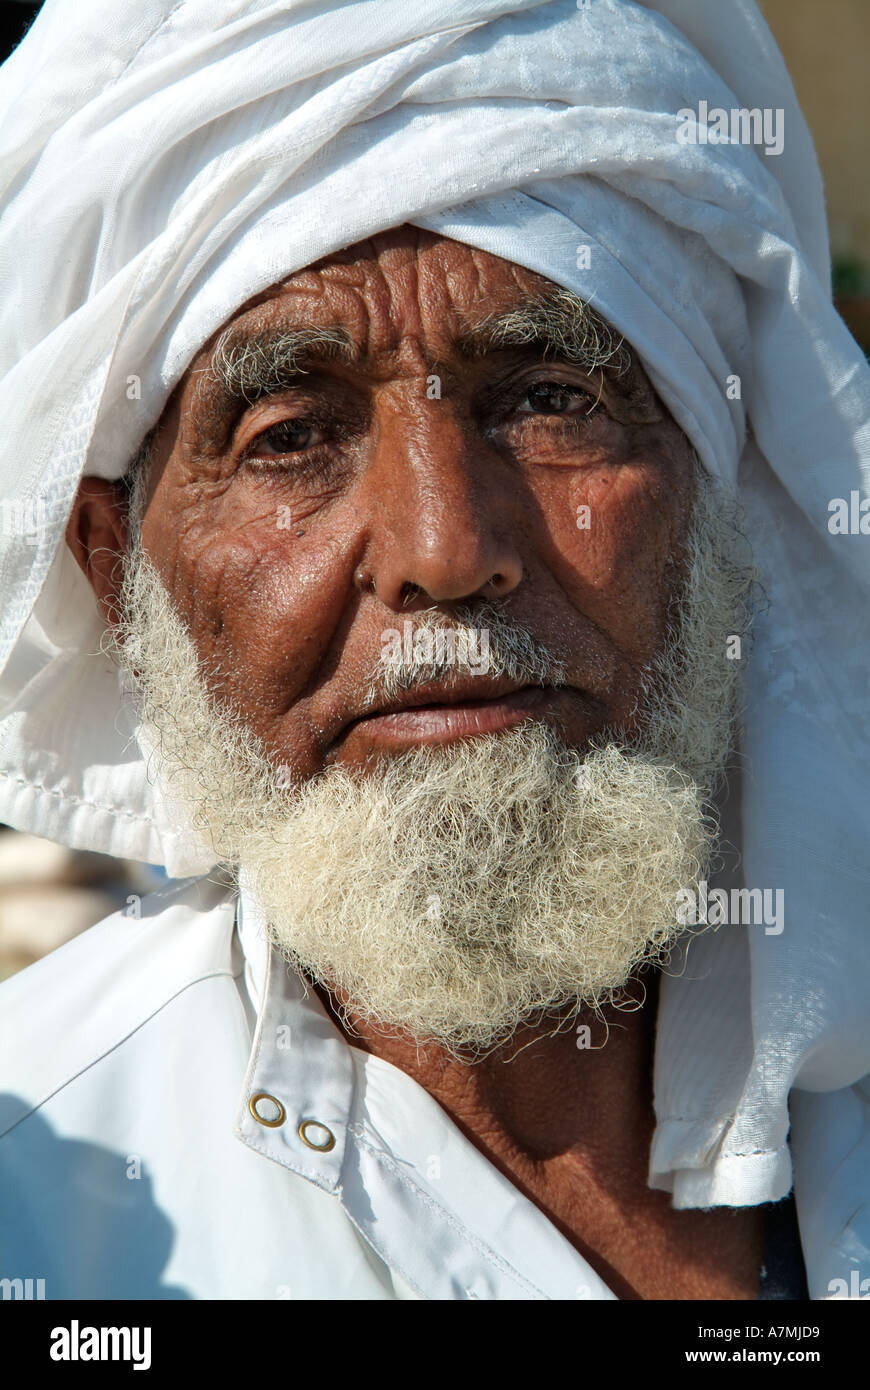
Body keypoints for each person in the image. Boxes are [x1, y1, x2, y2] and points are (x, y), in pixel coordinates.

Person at [0, 0, 867, 1302]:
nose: (446, 549)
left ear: (718, 506)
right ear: (118, 571)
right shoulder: (37, 1213)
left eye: (551, 399)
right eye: (292, 435)